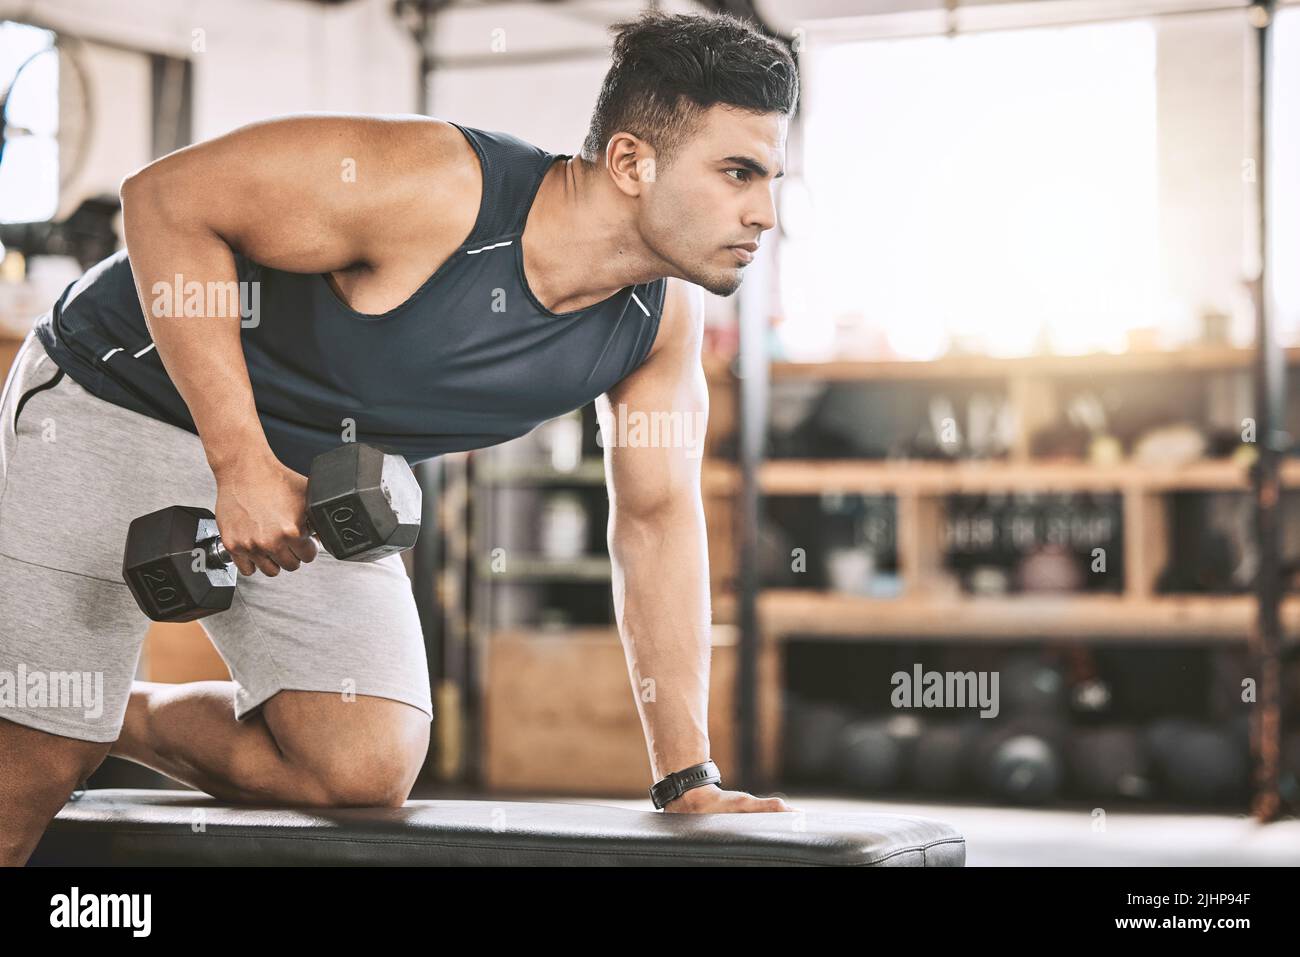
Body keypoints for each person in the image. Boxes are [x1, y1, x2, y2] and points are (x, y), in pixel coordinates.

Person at [0, 10, 797, 865]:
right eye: (738, 173)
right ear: (632, 161)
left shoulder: (656, 321)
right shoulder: (435, 187)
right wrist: (238, 460)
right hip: (117, 389)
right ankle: (54, 724)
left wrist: (685, 776)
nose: (765, 213)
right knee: (28, 771)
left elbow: (655, 519)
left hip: (313, 468)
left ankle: (100, 712)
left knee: (358, 761)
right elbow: (164, 200)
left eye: (771, 178)